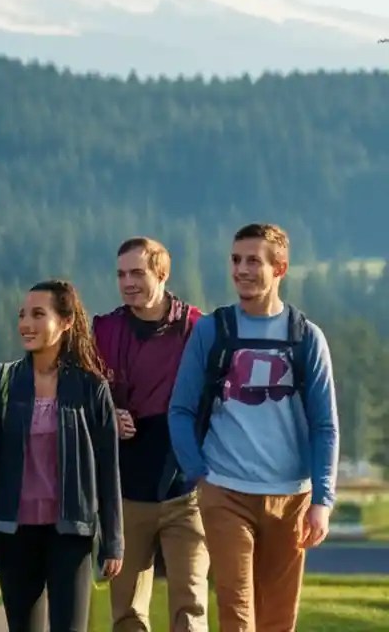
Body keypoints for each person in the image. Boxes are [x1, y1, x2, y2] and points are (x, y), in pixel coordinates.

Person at [169, 223, 339, 632]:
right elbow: (180, 410)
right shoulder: (212, 331)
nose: (241, 270)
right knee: (237, 609)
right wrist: (198, 473)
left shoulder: (306, 338)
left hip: (291, 495)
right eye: (235, 260)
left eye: (253, 261)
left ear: (279, 268)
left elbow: (324, 425)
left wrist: (323, 499)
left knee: (279, 615)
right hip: (225, 490)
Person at [0, 279, 124, 632]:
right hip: (12, 532)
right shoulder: (1, 381)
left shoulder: (91, 386)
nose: (26, 324)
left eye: (38, 314)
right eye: (22, 315)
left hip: (71, 531)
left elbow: (108, 469)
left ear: (65, 321)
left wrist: (113, 541)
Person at [94, 238, 210, 632]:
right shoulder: (103, 330)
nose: (128, 283)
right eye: (121, 274)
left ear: (162, 273)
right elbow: (81, 397)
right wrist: (108, 412)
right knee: (126, 613)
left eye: (137, 272)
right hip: (126, 494)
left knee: (191, 608)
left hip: (187, 491)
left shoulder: (197, 327)